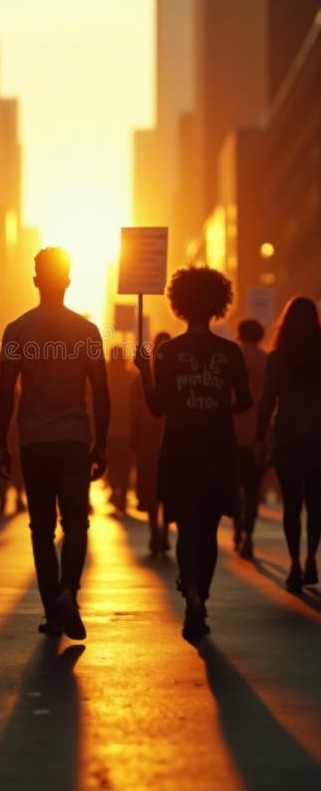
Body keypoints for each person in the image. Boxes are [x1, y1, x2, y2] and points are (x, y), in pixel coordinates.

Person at [0, 247, 110, 641]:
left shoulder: (17, 330)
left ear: (36, 281)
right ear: (67, 281)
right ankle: (67, 593)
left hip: (35, 441)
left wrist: (0, 443)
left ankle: (52, 611)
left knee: (41, 528)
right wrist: (102, 444)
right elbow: (103, 392)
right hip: (74, 439)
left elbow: (5, 392)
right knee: (76, 523)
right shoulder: (86, 331)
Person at [135, 266, 252, 640]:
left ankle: (192, 595)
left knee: (187, 527)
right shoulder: (230, 352)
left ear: (179, 305)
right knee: (210, 528)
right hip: (218, 450)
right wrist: (216, 405)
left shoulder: (168, 352)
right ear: (219, 304)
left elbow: (157, 408)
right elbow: (246, 401)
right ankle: (203, 593)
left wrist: (144, 372)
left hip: (180, 451)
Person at [256, 296, 321, 593]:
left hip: (288, 441)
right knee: (316, 504)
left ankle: (294, 563)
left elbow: (268, 401)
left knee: (292, 506)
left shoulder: (277, 357)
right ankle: (311, 559)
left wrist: (259, 438)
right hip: (318, 441)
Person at [130, 331, 171, 553]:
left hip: (150, 441)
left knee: (153, 490)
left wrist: (134, 436)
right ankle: (160, 532)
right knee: (163, 490)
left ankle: (157, 532)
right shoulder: (172, 374)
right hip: (163, 439)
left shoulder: (141, 377)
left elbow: (135, 411)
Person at [233, 318, 268, 560]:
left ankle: (237, 529)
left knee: (235, 488)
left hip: (233, 433)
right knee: (253, 489)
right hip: (258, 434)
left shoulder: (234, 356)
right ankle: (250, 534)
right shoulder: (266, 360)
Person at [106, 345, 133, 513]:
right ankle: (121, 493)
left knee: (114, 463)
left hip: (110, 429)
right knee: (124, 464)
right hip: (125, 429)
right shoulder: (129, 377)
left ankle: (116, 492)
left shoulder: (106, 377)